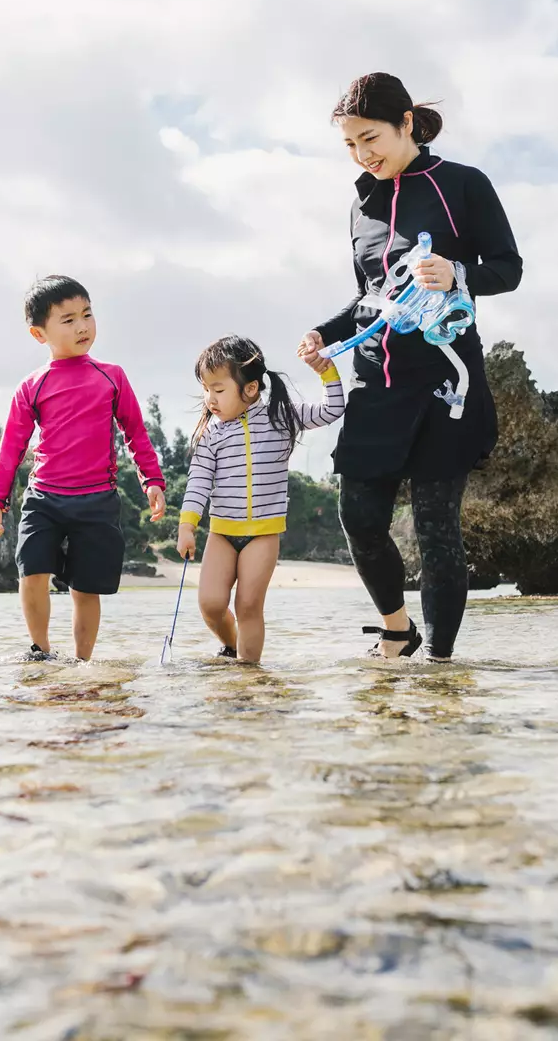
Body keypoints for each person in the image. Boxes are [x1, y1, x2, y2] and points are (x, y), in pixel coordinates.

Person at [296, 73, 523, 662]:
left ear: (405, 125)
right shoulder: (360, 205)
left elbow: (508, 267)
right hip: (378, 385)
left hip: (448, 385)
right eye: (349, 145)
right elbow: (370, 297)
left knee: (435, 526)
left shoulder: (462, 185)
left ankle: (441, 668)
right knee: (359, 517)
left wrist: (459, 273)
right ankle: (398, 628)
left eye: (370, 138)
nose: (362, 154)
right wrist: (327, 332)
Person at [0, 275, 166, 661]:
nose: (83, 326)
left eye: (87, 314)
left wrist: (152, 479)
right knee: (31, 573)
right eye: (68, 320)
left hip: (96, 501)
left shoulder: (111, 376)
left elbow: (135, 430)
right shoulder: (31, 386)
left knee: (85, 589)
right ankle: (42, 651)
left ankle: (82, 663)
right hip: (44, 499)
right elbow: (11, 448)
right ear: (39, 333)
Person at [176, 336, 346, 663]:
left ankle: (248, 673)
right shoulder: (211, 434)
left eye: (219, 389)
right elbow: (198, 481)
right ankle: (231, 644)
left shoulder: (280, 417)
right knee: (211, 603)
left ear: (251, 388)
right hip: (222, 533)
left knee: (248, 605)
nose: (210, 398)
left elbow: (332, 409)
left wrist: (327, 372)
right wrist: (187, 525)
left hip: (263, 535)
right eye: (206, 389)